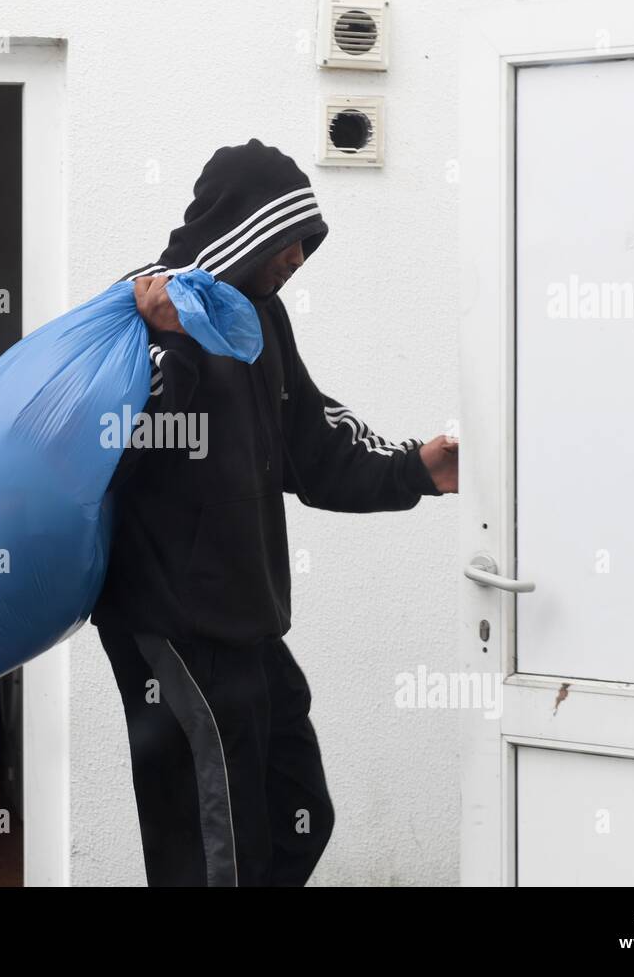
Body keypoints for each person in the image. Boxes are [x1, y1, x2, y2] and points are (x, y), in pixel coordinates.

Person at [90, 137, 458, 886]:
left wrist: (416, 468)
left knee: (298, 809)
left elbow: (312, 443)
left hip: (245, 618)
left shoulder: (260, 322)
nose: (298, 257)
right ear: (243, 226)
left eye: (305, 243)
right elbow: (102, 445)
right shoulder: (142, 308)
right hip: (170, 622)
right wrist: (173, 345)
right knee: (213, 846)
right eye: (288, 240)